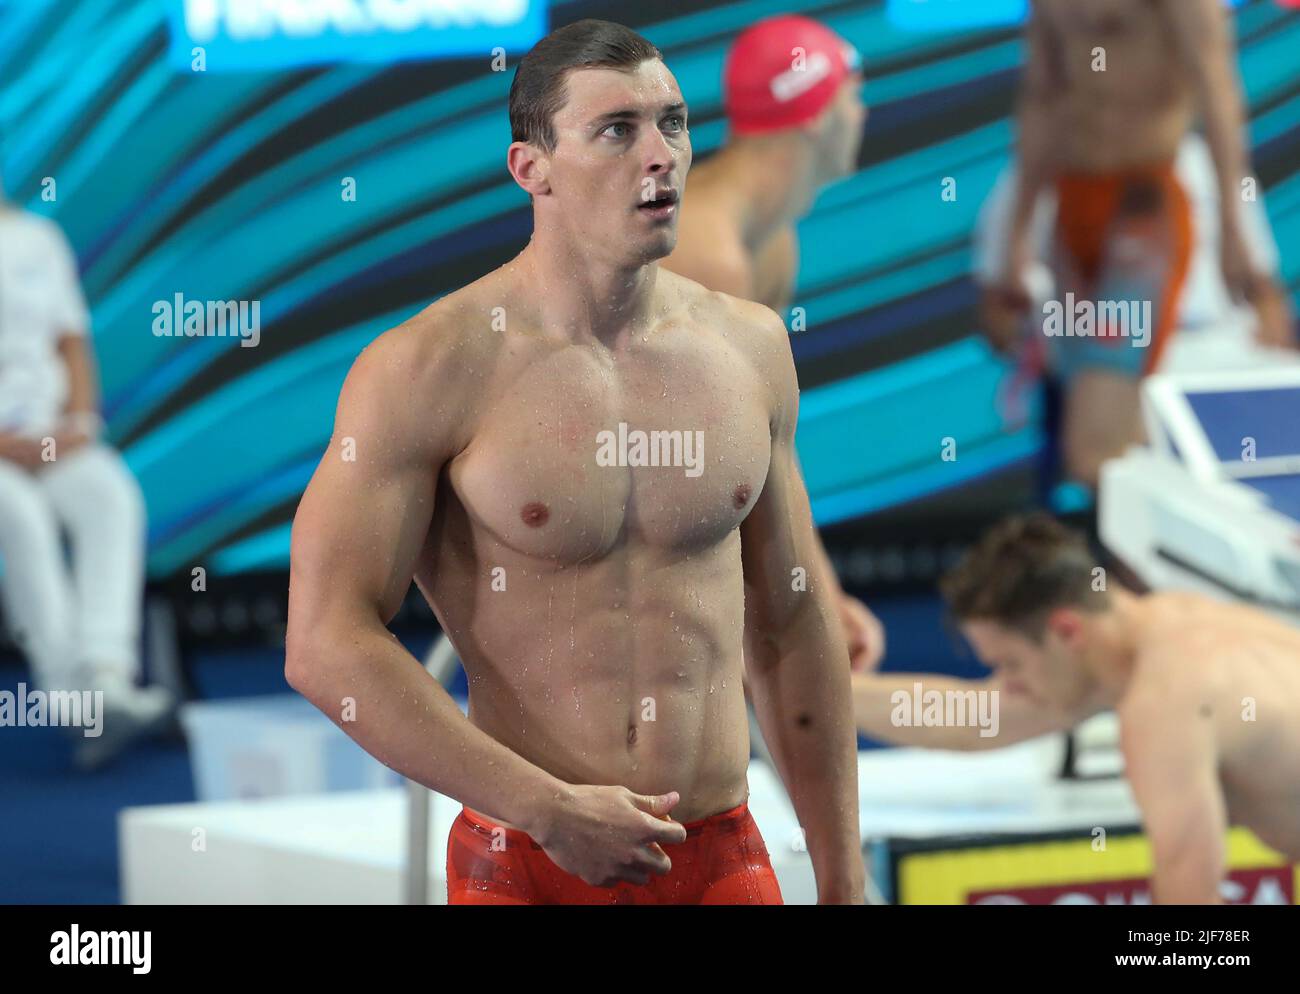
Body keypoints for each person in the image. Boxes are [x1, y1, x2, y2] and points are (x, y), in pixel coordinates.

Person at [286, 18, 865, 905]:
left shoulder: (748, 348)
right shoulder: (430, 366)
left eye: (672, 121)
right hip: (526, 858)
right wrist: (544, 806)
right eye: (617, 130)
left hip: (719, 856)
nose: (661, 153)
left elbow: (790, 625)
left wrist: (843, 876)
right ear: (533, 169)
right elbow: (326, 641)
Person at [851, 513, 1300, 904]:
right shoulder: (1161, 629)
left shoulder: (1164, 703)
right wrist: (825, 692)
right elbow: (974, 716)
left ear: (1065, 631)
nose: (1007, 686)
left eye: (1011, 665)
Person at [661, 14, 884, 672]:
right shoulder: (711, 256)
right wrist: (799, 605)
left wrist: (822, 593)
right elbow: (694, 477)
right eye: (853, 92)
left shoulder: (770, 244)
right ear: (815, 114)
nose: (864, 109)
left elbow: (769, 442)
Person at [990, 0, 1270, 490]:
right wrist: (1016, 233)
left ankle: (1146, 557)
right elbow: (1042, 99)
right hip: (1072, 212)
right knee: (1115, 434)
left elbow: (1217, 88)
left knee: (1093, 448)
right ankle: (1141, 558)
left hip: (1142, 212)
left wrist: (1233, 226)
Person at [0, 188, 173, 770]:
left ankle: (107, 673)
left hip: (49, 439)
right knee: (19, 517)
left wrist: (79, 422)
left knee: (109, 494)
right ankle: (68, 694)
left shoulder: (39, 238)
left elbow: (71, 341)